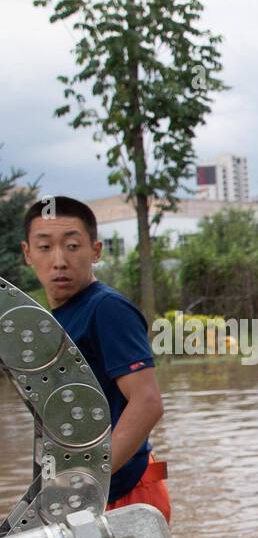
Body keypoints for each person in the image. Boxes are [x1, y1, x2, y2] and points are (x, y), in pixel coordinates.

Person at [21, 196, 169, 521]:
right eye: (45, 247)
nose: (59, 260)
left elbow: (147, 402)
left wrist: (86, 479)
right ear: (28, 253)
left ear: (96, 251)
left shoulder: (106, 309)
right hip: (87, 499)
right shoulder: (56, 318)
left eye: (73, 246)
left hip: (125, 495)